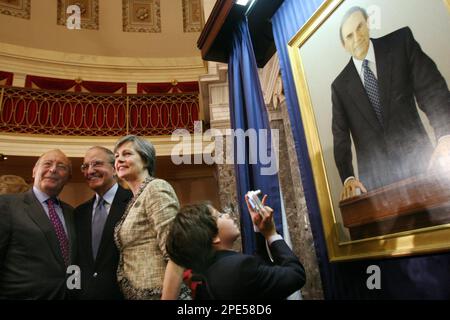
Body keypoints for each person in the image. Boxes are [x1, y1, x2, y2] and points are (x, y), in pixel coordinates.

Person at [332, 7, 450, 200]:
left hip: (423, 168)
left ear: (368, 23)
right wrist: (348, 178)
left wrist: (445, 135)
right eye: (349, 36)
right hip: (377, 188)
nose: (357, 37)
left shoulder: (400, 43)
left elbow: (431, 89)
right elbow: (340, 138)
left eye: (360, 27)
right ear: (344, 45)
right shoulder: (339, 87)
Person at [166, 195, 306, 300]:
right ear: (214, 238)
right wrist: (271, 233)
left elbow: (261, 276)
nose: (227, 215)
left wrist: (260, 230)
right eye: (219, 215)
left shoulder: (210, 272)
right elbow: (296, 275)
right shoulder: (239, 268)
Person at [113, 135, 189, 300]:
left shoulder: (156, 188)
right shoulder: (134, 199)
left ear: (145, 160)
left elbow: (176, 253)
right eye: (116, 156)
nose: (119, 160)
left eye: (127, 154)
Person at [0, 149, 76, 299]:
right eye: (47, 163)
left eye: (61, 167)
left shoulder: (71, 213)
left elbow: (73, 261)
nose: (53, 169)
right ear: (34, 171)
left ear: (68, 177)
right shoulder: (7, 205)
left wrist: (75, 288)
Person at [74, 146, 132, 300]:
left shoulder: (134, 203)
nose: (90, 171)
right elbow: (75, 260)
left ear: (114, 169)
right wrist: (71, 292)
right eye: (85, 166)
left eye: (97, 164)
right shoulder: (79, 212)